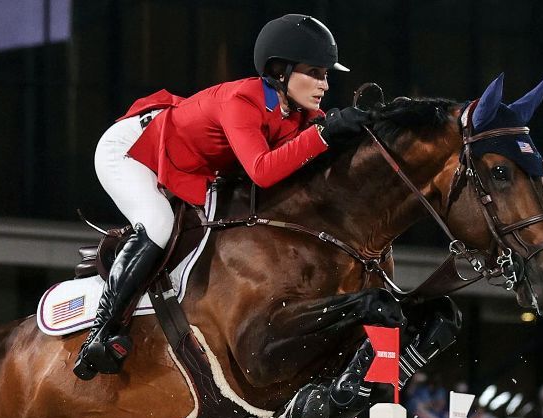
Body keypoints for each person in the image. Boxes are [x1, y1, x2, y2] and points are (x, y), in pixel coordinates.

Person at [74, 14, 368, 379]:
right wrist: (324, 135)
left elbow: (314, 147)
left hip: (185, 160)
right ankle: (102, 331)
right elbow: (262, 171)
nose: (324, 84)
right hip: (132, 150)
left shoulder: (297, 110)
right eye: (315, 73)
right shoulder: (241, 100)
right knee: (157, 223)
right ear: (279, 70)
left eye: (326, 75)